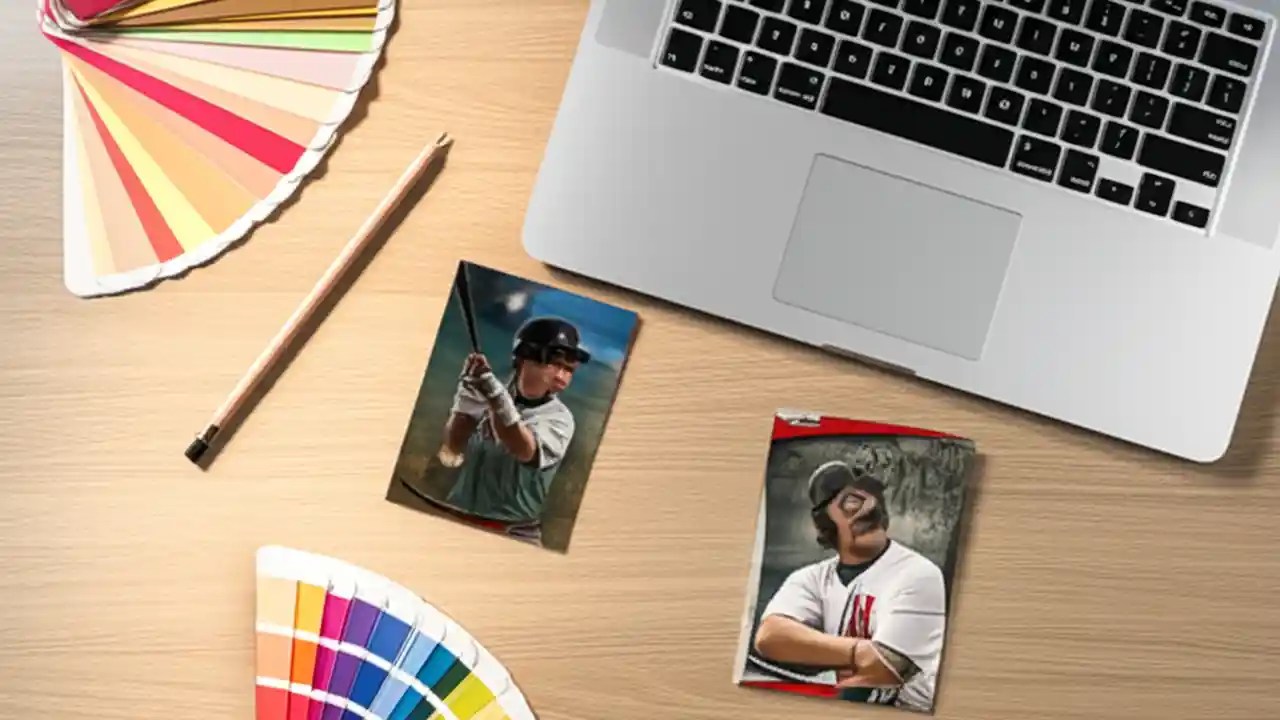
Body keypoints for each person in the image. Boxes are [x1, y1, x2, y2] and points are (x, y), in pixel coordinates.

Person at [751, 461, 947, 712]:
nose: (869, 508)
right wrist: (857, 651)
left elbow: (884, 672)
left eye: (871, 499)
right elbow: (770, 636)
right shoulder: (812, 577)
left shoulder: (919, 573)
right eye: (851, 503)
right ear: (826, 526)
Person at [423, 316, 586, 546]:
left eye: (569, 369)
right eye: (553, 364)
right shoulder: (491, 391)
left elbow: (524, 450)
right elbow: (451, 452)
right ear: (523, 360)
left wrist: (496, 399)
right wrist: (465, 406)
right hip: (457, 518)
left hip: (513, 534)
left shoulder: (560, 418)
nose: (561, 378)